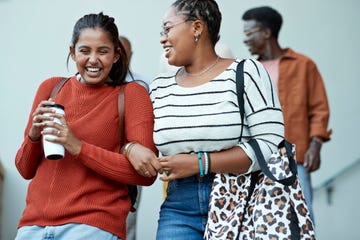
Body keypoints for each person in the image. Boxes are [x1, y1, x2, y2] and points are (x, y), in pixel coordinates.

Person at [14, 12, 160, 240]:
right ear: (72, 52)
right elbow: (24, 169)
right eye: (84, 51)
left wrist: (77, 146)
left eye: (103, 51)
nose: (93, 59)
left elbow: (146, 175)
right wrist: (33, 135)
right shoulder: (51, 88)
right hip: (32, 227)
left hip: (93, 227)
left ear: (116, 55)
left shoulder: (132, 94)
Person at [149, 1, 285, 239]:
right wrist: (131, 148)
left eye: (167, 28)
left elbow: (269, 144)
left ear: (197, 28)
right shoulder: (159, 87)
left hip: (242, 199)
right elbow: (144, 143)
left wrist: (201, 163)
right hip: (179, 204)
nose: (163, 38)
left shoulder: (246, 72)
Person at [242, 6, 332, 223]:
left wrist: (315, 145)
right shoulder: (248, 69)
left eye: (249, 33)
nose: (245, 39)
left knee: (300, 220)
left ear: (266, 32)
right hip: (257, 161)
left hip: (294, 158)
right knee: (262, 221)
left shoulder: (303, 65)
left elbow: (319, 108)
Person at [119, 35, 150, 240]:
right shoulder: (97, 82)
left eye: (126, 55)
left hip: (130, 165)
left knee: (128, 225)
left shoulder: (141, 84)